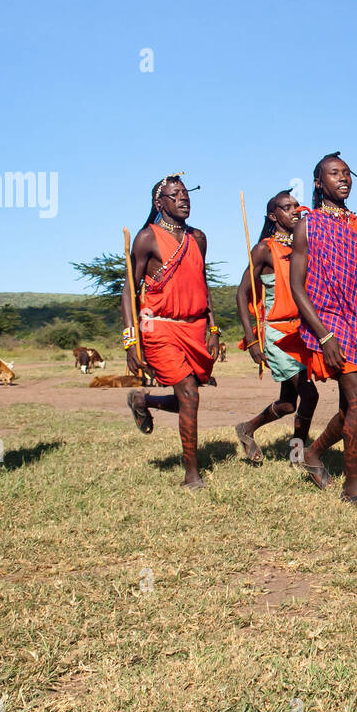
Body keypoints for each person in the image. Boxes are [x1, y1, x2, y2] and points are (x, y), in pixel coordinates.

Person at [280, 152, 357, 505]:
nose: (343, 178)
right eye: (334, 173)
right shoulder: (307, 225)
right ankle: (353, 487)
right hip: (328, 320)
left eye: (346, 173)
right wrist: (324, 335)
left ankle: (312, 453)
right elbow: (297, 287)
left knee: (350, 406)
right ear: (318, 182)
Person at [124, 173, 219, 488]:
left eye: (186, 193)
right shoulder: (146, 238)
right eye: (175, 194)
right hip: (159, 326)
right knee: (189, 396)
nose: (183, 198)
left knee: (186, 399)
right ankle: (192, 475)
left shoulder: (199, 238)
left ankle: (144, 400)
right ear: (159, 202)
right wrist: (130, 341)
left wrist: (214, 328)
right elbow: (129, 290)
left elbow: (202, 285)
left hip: (194, 328)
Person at [233, 190, 319, 462]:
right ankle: (298, 454)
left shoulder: (302, 246)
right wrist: (251, 339)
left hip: (300, 333)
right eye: (287, 207)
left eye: (296, 206)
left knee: (286, 404)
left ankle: (247, 428)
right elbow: (241, 293)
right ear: (274, 216)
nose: (295, 211)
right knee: (310, 394)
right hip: (277, 333)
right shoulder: (263, 249)